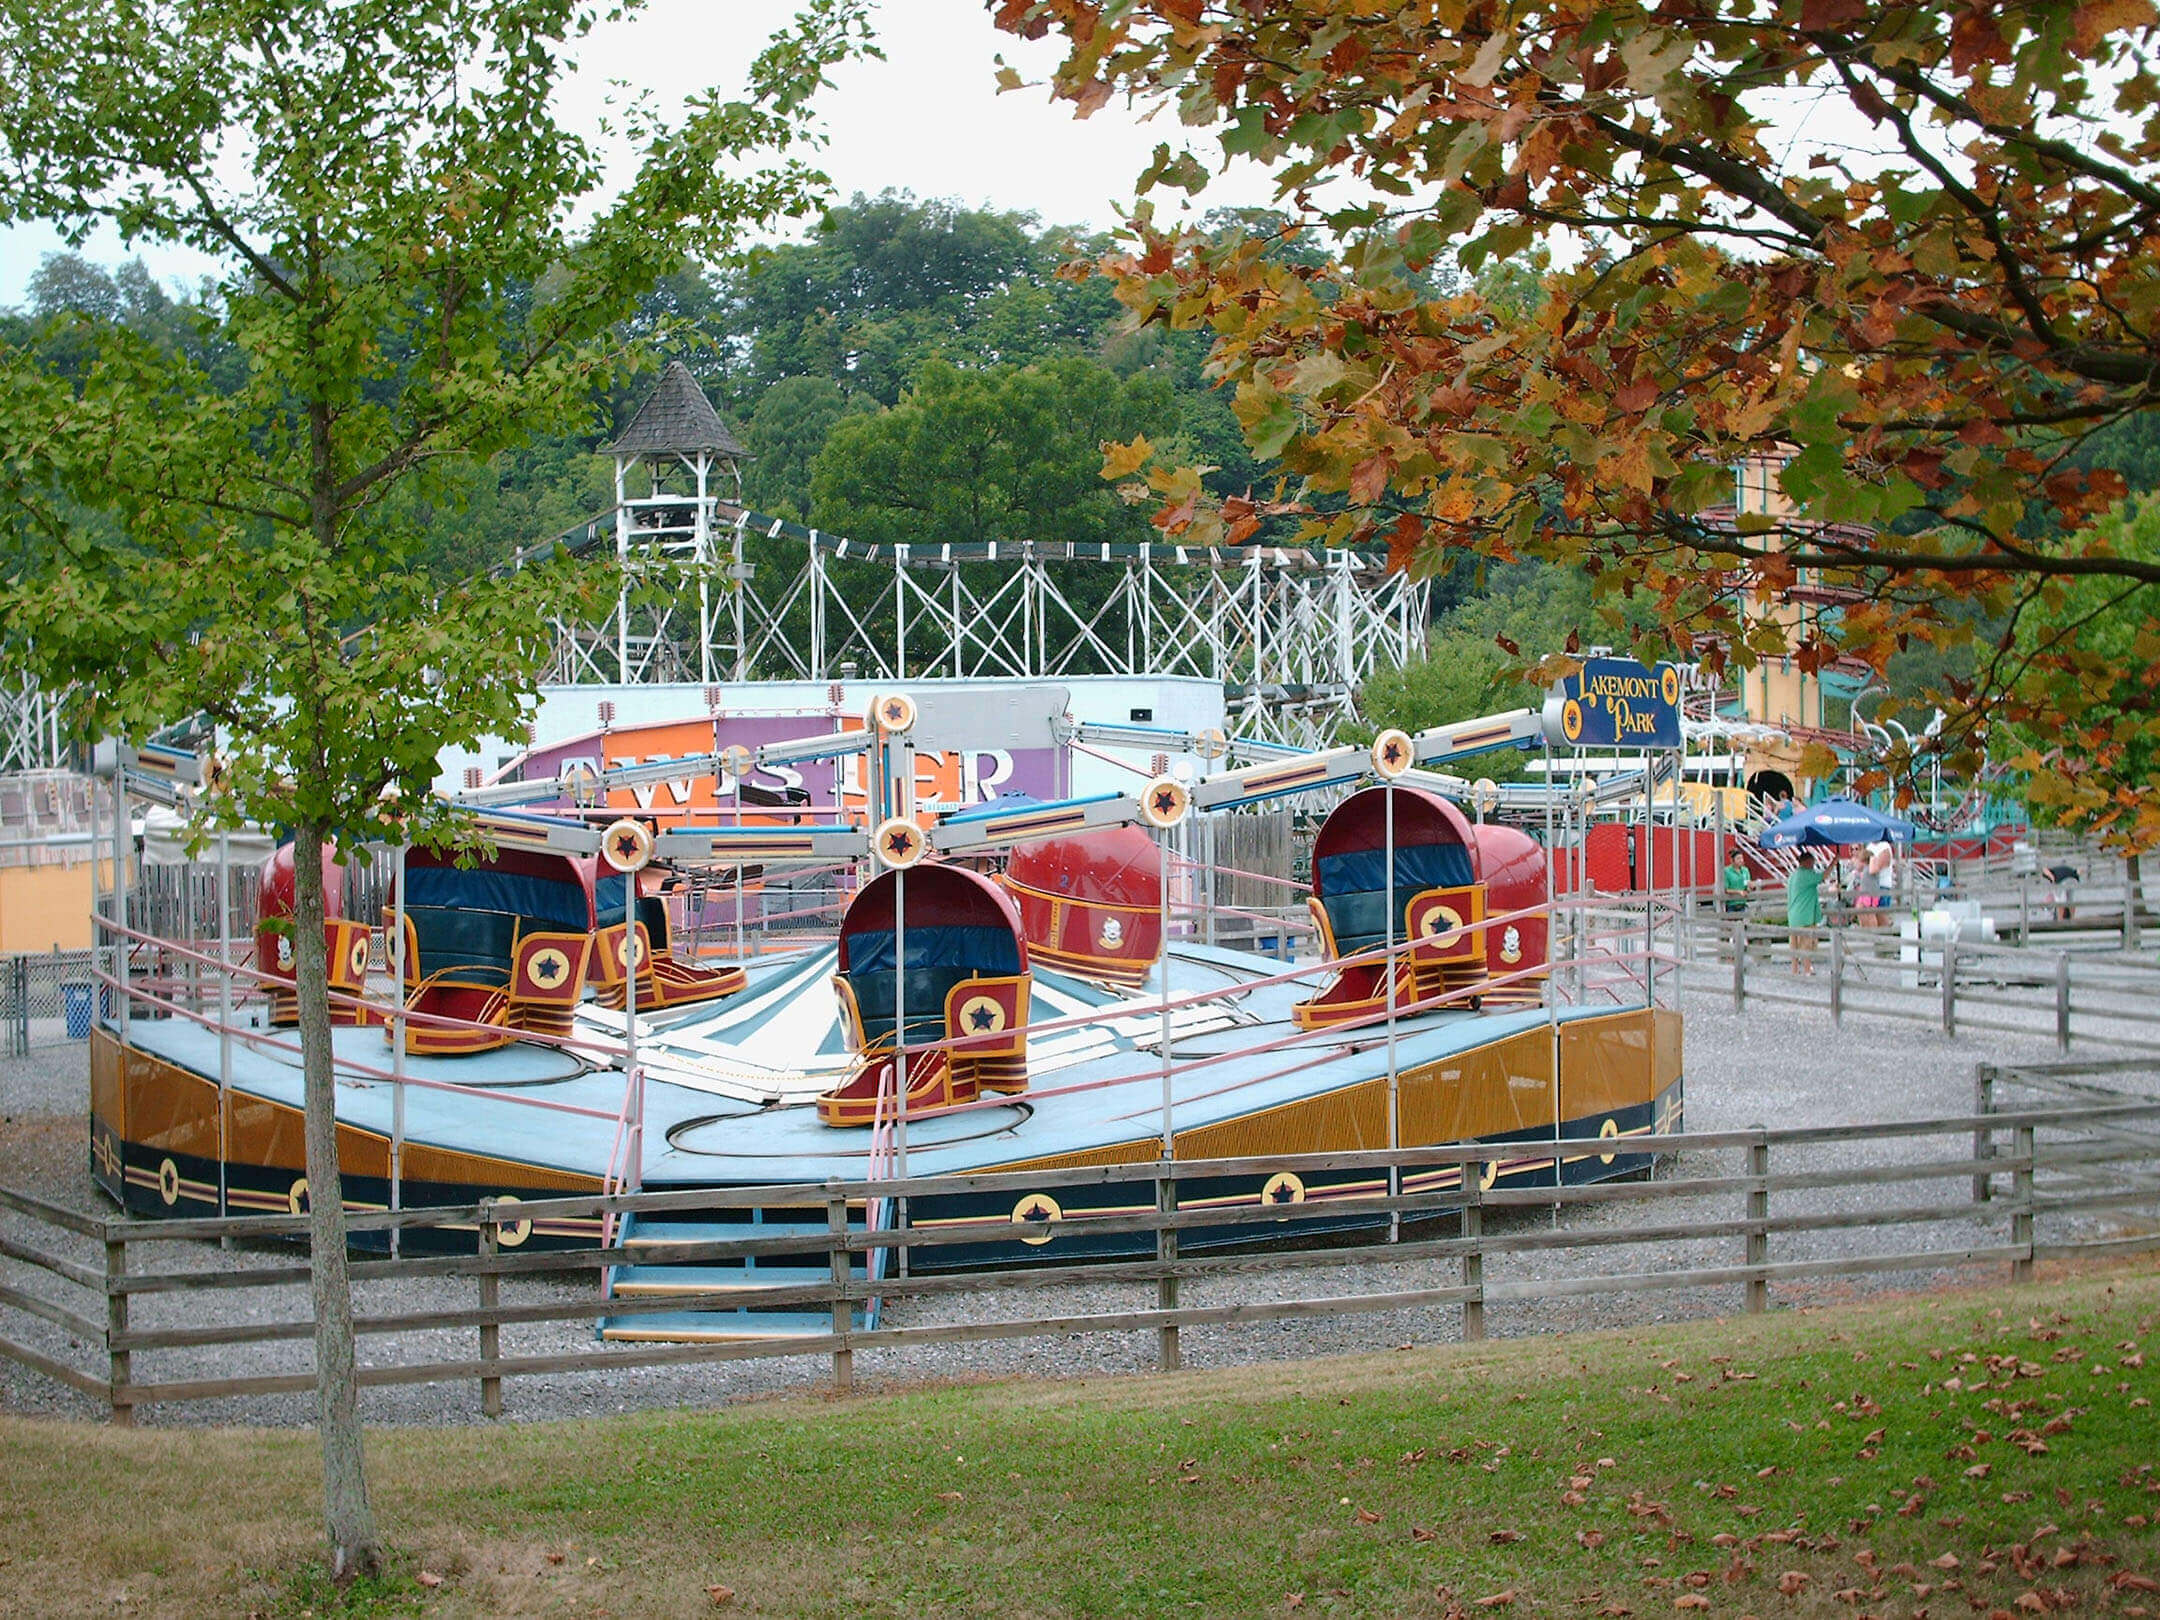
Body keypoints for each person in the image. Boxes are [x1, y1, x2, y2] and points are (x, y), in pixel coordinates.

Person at [1786, 852, 1824, 974]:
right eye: (1812, 862)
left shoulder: (1793, 876)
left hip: (1793, 915)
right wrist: (1834, 861)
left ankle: (1795, 970)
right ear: (1807, 862)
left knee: (1794, 945)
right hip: (1805, 915)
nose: (1813, 865)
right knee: (1806, 945)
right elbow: (1822, 877)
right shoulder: (1806, 874)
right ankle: (1807, 970)